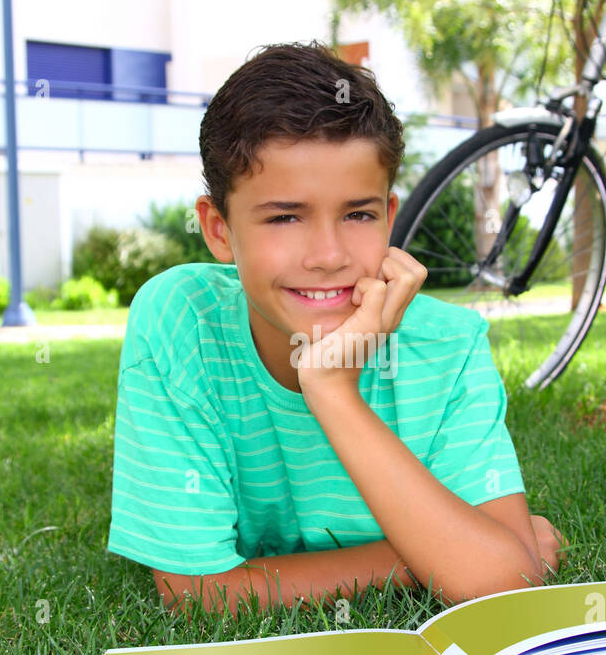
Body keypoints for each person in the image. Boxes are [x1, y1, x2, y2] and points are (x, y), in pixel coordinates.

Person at [108, 40, 567, 618]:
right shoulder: (180, 323)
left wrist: (331, 389)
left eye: (358, 214)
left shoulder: (447, 345)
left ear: (390, 217)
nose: (328, 255)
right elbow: (197, 592)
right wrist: (425, 556)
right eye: (284, 217)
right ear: (219, 230)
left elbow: (506, 579)